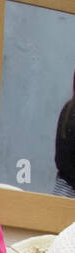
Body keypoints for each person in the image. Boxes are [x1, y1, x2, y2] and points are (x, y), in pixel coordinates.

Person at [56, 68, 75, 198]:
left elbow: (60, 160)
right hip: (67, 194)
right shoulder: (69, 110)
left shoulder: (68, 108)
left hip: (62, 191)